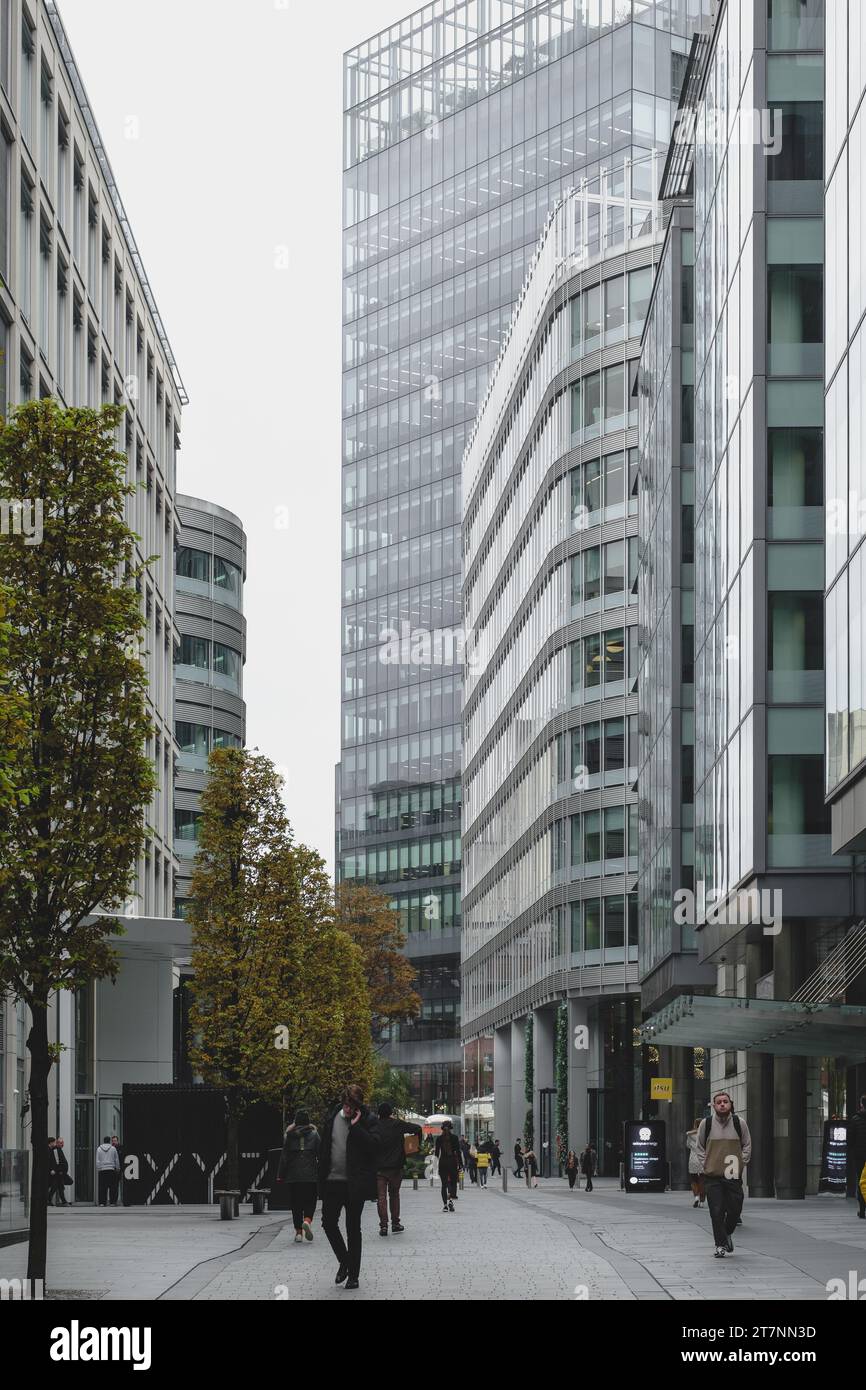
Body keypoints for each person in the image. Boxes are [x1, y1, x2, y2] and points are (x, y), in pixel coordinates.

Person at [318, 1084, 380, 1290]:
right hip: (333, 1181)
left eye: (351, 1105)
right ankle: (344, 1261)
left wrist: (356, 1126)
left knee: (353, 1229)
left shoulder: (369, 1120)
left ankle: (353, 1276)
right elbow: (326, 1145)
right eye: (345, 1104)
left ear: (358, 1105)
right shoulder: (333, 1115)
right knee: (328, 1222)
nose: (347, 1108)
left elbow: (374, 1147)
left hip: (355, 1183)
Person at [696, 1091, 752, 1258]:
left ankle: (726, 1232)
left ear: (730, 1104)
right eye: (718, 1102)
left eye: (725, 1102)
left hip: (732, 1174)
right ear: (714, 1106)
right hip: (712, 1176)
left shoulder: (738, 1123)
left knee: (735, 1209)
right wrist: (706, 1164)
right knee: (716, 1211)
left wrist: (741, 1162)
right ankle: (720, 1245)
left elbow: (747, 1145)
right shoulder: (705, 1124)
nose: (722, 1104)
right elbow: (699, 1147)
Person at [375, 1102, 422, 1236]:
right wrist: (414, 1146)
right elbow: (417, 1128)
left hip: (379, 1168)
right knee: (394, 1194)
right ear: (390, 1112)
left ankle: (383, 1226)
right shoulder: (398, 1124)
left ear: (378, 1113)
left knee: (381, 1197)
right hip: (396, 1166)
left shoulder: (374, 1126)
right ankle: (395, 1223)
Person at [277, 1108, 321, 1243]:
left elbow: (284, 1157)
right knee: (310, 1200)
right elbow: (321, 1154)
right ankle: (307, 1220)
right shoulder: (315, 1135)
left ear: (295, 1122)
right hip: (310, 1175)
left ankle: (298, 1233)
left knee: (295, 1203)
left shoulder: (289, 1136)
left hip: (293, 1175)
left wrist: (280, 1174)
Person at [435, 1120, 461, 1212]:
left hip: (443, 1162)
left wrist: (435, 1165)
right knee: (453, 1183)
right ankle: (450, 1200)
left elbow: (437, 1153)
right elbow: (458, 1152)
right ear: (451, 1128)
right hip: (452, 1162)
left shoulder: (439, 1139)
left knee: (444, 1185)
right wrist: (460, 1164)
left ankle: (445, 1205)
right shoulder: (454, 1138)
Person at [848, 1094, 866, 1219]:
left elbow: (850, 1140)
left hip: (859, 1157)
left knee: (861, 1181)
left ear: (861, 1104)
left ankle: (862, 1210)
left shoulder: (855, 1120)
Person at [686, 1120, 706, 1208]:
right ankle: (702, 1202)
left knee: (693, 1180)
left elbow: (688, 1145)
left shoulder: (690, 1135)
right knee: (703, 1180)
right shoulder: (705, 1134)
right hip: (703, 1159)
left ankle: (696, 1197)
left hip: (693, 1159)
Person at [96, 1135, 120, 1206]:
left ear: (103, 1141)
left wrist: (99, 1168)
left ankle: (102, 1202)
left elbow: (97, 1160)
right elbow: (116, 1159)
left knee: (102, 1187)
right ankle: (112, 1202)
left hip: (102, 1170)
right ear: (109, 1141)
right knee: (112, 1187)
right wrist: (117, 1168)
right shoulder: (113, 1148)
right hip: (111, 1169)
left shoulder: (99, 1149)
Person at [50, 1137, 71, 1206]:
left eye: (62, 1143)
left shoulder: (58, 1149)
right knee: (57, 1187)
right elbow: (57, 1162)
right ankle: (63, 1201)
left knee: (58, 1187)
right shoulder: (56, 1150)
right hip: (59, 1172)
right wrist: (60, 1170)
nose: (62, 1144)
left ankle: (63, 1201)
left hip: (60, 1172)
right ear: (57, 1143)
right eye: (60, 1143)